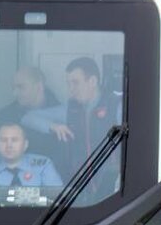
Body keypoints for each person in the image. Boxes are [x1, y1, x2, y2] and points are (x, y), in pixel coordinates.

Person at [21, 57, 122, 189]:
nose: (71, 89)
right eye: (68, 84)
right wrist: (53, 126)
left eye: (75, 83)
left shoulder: (116, 105)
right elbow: (28, 118)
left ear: (92, 81)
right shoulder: (70, 110)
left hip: (112, 187)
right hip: (79, 189)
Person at [0, 66, 63, 161]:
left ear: (39, 87)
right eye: (13, 88)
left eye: (21, 87)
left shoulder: (62, 117)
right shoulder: (5, 116)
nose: (15, 93)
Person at [0, 123, 63, 188]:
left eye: (15, 140)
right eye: (4, 140)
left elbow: (57, 199)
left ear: (25, 144)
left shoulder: (43, 165)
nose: (9, 145)